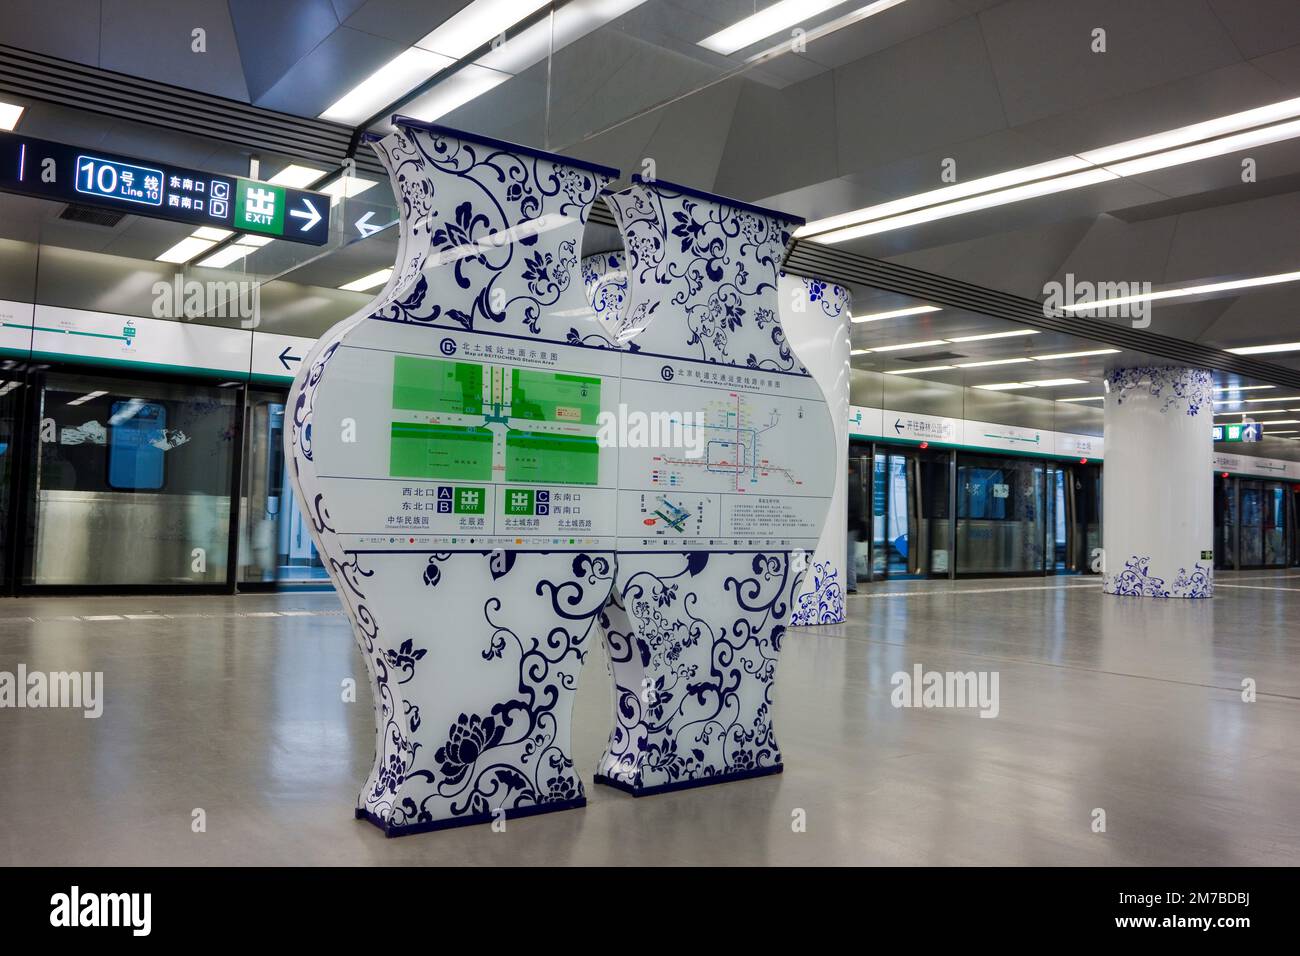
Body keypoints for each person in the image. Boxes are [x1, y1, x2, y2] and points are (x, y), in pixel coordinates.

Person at [846, 458, 864, 593]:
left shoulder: (851, 482)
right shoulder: (856, 482)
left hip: (850, 526)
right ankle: (850, 584)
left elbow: (852, 507)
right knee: (849, 555)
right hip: (853, 526)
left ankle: (851, 585)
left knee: (849, 556)